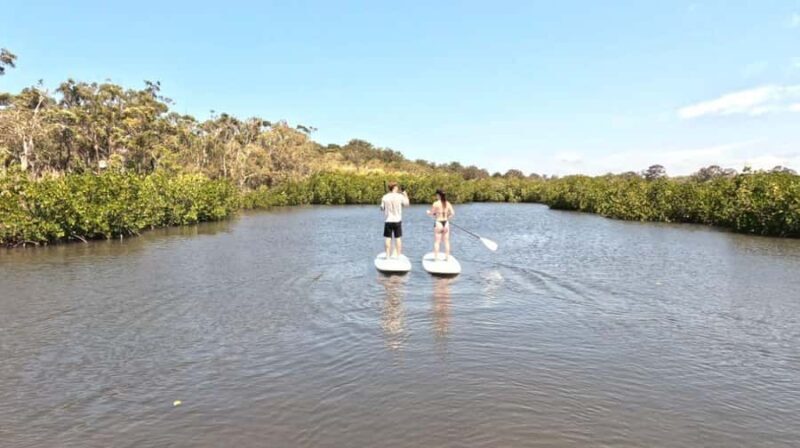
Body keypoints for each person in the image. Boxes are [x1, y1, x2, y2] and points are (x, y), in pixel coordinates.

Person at [380, 181, 409, 258]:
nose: (398, 188)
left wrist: (384, 204)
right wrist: (405, 195)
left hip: (388, 220)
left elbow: (382, 208)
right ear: (394, 187)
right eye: (397, 186)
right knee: (398, 238)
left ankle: (387, 256)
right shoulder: (400, 196)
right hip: (397, 220)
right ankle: (398, 256)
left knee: (388, 238)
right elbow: (407, 204)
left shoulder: (385, 197)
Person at [426, 188, 455, 261]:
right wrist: (447, 217)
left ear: (438, 195)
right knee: (446, 242)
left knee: (437, 242)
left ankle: (436, 259)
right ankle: (447, 258)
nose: (436, 196)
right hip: (446, 223)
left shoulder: (436, 203)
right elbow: (452, 213)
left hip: (439, 223)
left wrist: (428, 212)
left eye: (436, 195)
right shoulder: (447, 203)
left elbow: (432, 213)